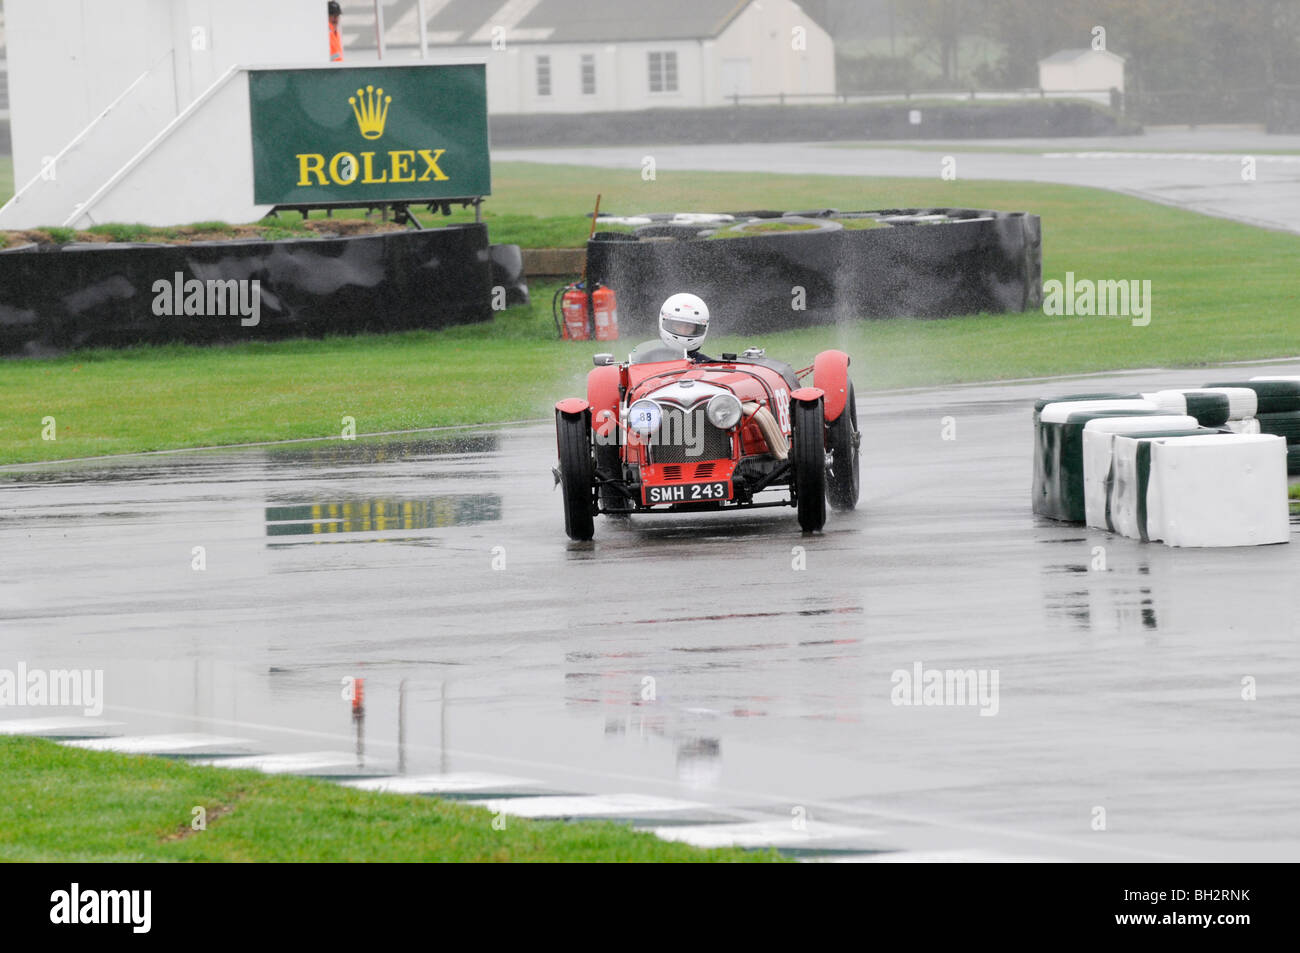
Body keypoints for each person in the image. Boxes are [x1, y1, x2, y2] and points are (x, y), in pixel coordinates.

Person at [658, 293, 714, 362]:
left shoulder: (707, 364)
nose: (683, 331)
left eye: (689, 327)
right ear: (669, 325)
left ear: (696, 329)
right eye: (678, 325)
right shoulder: (651, 358)